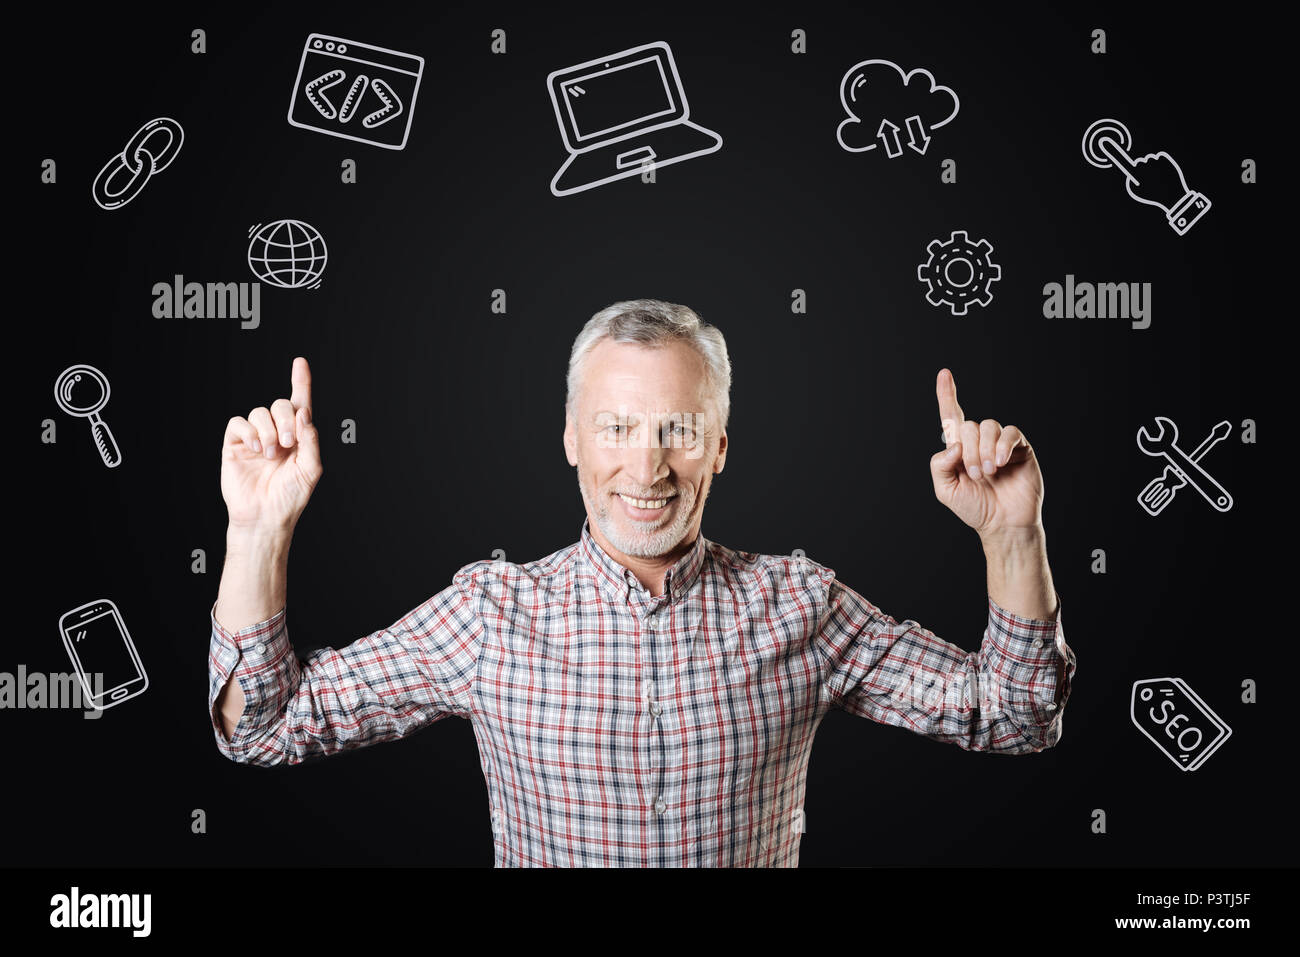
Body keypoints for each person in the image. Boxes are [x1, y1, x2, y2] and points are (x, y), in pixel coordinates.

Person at [209, 298, 1077, 867]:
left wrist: (1013, 535)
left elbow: (1016, 717)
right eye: (617, 426)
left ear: (722, 447)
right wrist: (257, 531)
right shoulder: (489, 614)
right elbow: (265, 727)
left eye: (680, 429)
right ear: (572, 440)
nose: (648, 465)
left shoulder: (800, 605)